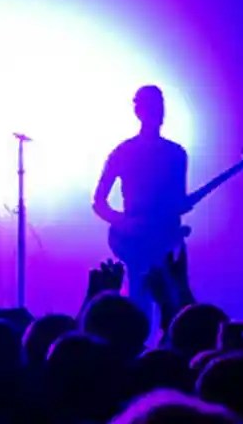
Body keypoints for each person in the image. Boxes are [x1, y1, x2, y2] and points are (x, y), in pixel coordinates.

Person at [92, 85, 189, 318]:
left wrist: (176, 220)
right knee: (139, 302)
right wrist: (124, 223)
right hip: (136, 241)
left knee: (173, 303)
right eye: (153, 106)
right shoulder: (124, 152)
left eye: (161, 105)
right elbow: (99, 201)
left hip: (166, 238)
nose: (160, 112)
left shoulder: (176, 153)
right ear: (139, 111)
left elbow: (178, 202)